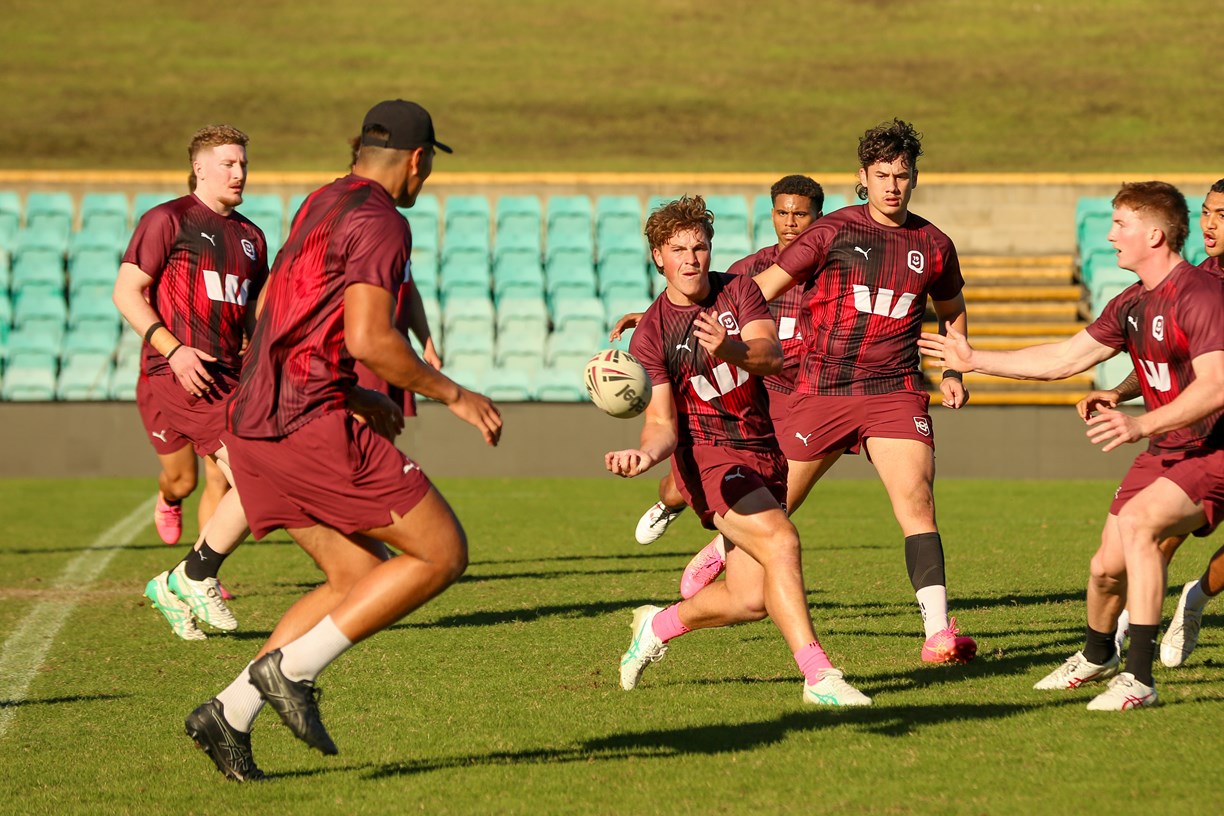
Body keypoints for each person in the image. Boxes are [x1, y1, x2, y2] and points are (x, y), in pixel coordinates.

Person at [183, 99, 503, 782]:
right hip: (305, 423)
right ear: (418, 160)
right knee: (442, 552)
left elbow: (275, 310)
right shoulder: (383, 220)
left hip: (255, 417)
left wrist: (350, 389)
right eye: (427, 167)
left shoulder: (321, 200)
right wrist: (456, 394)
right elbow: (370, 339)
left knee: (357, 576)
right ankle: (289, 672)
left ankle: (228, 714)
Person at [920, 180, 1224, 710]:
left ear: (1154, 234)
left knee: (1140, 525)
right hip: (1166, 447)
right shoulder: (1132, 300)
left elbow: (1217, 386)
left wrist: (1139, 424)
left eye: (1120, 224)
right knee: (1105, 569)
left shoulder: (1201, 292)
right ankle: (1098, 653)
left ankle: (1139, 679)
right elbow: (1063, 359)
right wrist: (976, 360)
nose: (1109, 237)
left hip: (1214, 447)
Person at [607, 195, 870, 707]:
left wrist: (728, 348)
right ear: (658, 257)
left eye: (699, 247)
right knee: (782, 541)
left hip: (762, 448)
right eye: (677, 249)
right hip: (709, 458)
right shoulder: (654, 333)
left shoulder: (739, 290)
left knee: (749, 598)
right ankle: (818, 676)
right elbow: (661, 421)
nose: (691, 258)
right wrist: (644, 456)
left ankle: (655, 627)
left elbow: (769, 354)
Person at [746, 119, 977, 664]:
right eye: (882, 175)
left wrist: (953, 370)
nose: (892, 185)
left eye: (901, 175)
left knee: (917, 502)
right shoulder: (830, 233)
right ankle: (720, 550)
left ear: (915, 176)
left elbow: (953, 311)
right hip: (823, 391)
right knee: (779, 504)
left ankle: (938, 633)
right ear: (862, 178)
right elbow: (759, 290)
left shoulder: (934, 244)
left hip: (894, 392)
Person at [113, 124, 268, 641]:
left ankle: (181, 582)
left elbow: (250, 318)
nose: (239, 172)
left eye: (243, 163)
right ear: (199, 167)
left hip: (229, 379)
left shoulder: (252, 237)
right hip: (180, 373)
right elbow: (127, 292)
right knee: (251, 474)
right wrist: (173, 350)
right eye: (228, 163)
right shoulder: (168, 219)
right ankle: (193, 576)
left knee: (263, 478)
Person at [626, 175, 825, 553]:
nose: (791, 222)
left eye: (800, 214)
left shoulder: (834, 267)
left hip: (792, 393)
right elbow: (691, 303)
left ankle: (725, 557)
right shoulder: (748, 272)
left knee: (762, 558)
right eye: (783, 213)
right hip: (749, 399)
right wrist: (652, 319)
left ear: (819, 217)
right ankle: (701, 529)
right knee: (775, 535)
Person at [1074, 178, 1224, 669]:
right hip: (1204, 435)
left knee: (1149, 528)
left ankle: (1195, 600)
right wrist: (1119, 392)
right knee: (1154, 533)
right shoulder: (1204, 280)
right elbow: (1176, 361)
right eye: (1206, 212)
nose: (1210, 224)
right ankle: (1123, 642)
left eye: (1222, 215)